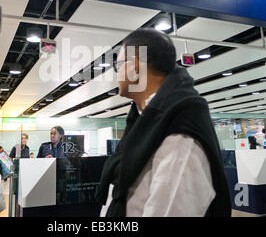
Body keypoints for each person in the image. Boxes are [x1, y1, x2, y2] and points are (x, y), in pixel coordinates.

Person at [96, 28, 231, 217]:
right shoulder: (142, 124)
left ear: (135, 66)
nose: (116, 74)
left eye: (118, 65)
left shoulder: (180, 133)